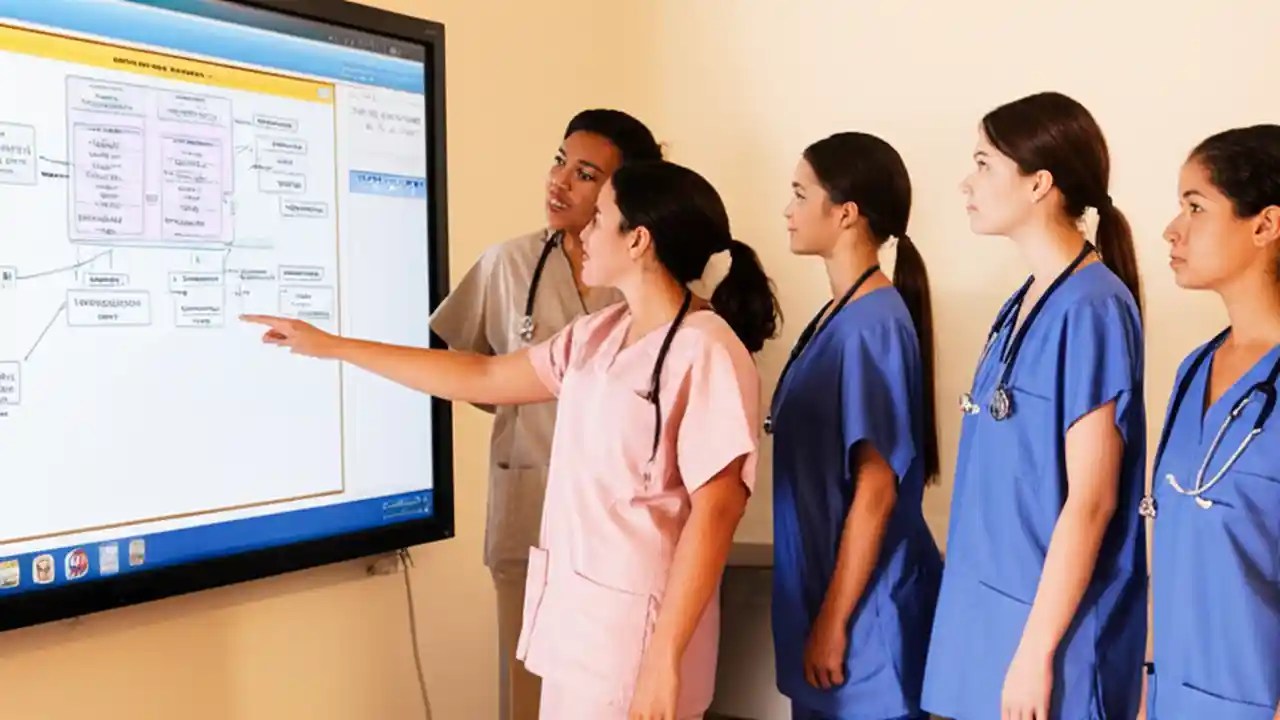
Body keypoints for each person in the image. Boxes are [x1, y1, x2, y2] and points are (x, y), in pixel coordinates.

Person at [242, 159, 781, 719]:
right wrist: (334, 346)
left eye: (599, 218)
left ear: (638, 240)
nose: (584, 232)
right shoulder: (599, 334)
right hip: (581, 634)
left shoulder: (706, 349)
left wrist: (665, 660)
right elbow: (484, 375)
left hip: (642, 640)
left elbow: (717, 512)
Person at [427, 108, 662, 719]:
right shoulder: (508, 264)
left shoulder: (644, 274)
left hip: (619, 530)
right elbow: (463, 361)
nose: (559, 182)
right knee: (527, 696)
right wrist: (516, 407)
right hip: (527, 511)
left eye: (585, 174)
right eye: (559, 162)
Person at [920, 91, 1148, 720]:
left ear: (1038, 183)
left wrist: (1035, 654)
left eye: (983, 164)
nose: (966, 183)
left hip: (1047, 643)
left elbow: (1092, 500)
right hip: (988, 624)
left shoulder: (1093, 307)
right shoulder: (1024, 303)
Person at [769, 132, 942, 720]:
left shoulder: (874, 325)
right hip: (832, 607)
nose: (787, 210)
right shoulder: (840, 315)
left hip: (864, 627)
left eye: (800, 194)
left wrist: (833, 622)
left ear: (845, 212)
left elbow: (877, 488)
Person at [1142, 125, 1280, 720]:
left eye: (1195, 206)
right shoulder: (1195, 369)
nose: (1172, 229)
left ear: (1265, 225)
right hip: (1173, 695)